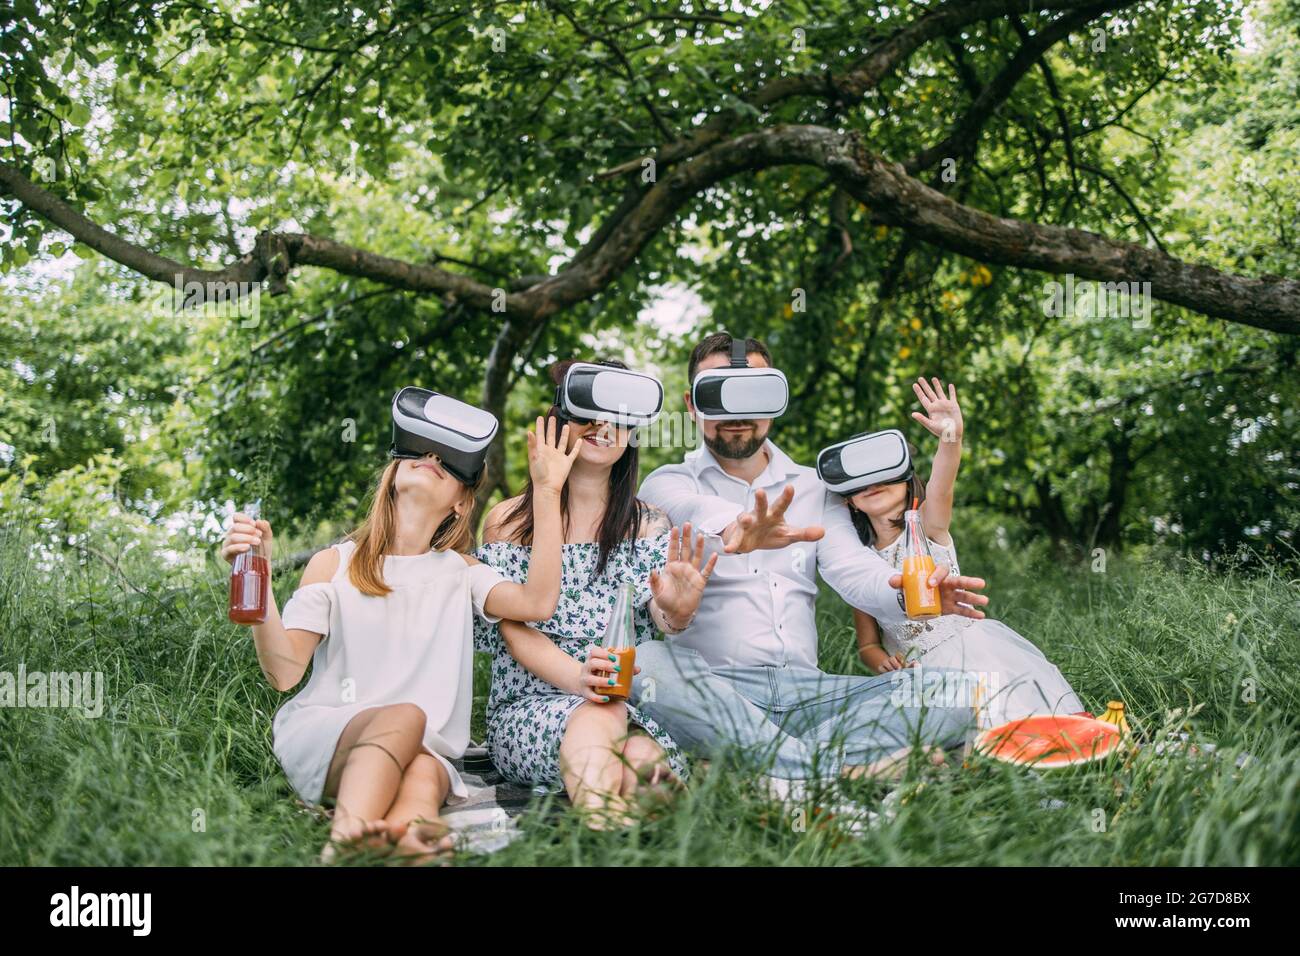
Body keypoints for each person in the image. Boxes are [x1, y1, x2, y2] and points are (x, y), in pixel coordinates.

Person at [220, 406, 578, 862]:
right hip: (330, 737)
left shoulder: (462, 572)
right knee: (407, 716)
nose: (431, 456)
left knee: (429, 774)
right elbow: (284, 672)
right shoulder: (334, 564)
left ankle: (409, 842)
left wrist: (547, 492)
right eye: (420, 449)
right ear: (392, 473)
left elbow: (537, 603)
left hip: (422, 749)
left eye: (449, 461)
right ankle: (345, 841)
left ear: (462, 503)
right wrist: (260, 578)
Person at [634, 332, 991, 785]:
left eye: (754, 394)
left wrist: (903, 593)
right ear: (691, 403)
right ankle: (842, 771)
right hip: (713, 690)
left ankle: (753, 769)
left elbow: (852, 570)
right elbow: (697, 512)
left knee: (953, 693)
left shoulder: (813, 487)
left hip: (813, 695)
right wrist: (737, 527)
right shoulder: (665, 485)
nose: (737, 414)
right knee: (646, 662)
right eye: (718, 394)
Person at [474, 359, 716, 828]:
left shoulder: (650, 523)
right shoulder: (508, 521)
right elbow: (512, 627)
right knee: (598, 715)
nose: (604, 426)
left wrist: (677, 611)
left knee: (644, 758)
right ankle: (603, 829)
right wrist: (578, 679)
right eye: (588, 412)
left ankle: (635, 833)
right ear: (559, 419)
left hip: (630, 705)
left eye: (620, 416)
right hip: (533, 707)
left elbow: (661, 620)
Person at [848, 375, 1084, 726]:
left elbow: (942, 484)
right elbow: (868, 642)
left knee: (1007, 719)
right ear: (848, 499)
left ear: (909, 480)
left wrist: (950, 437)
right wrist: (878, 659)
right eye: (859, 479)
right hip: (916, 676)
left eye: (884, 473)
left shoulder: (927, 526)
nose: (872, 484)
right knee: (948, 750)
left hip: (972, 653)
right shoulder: (856, 565)